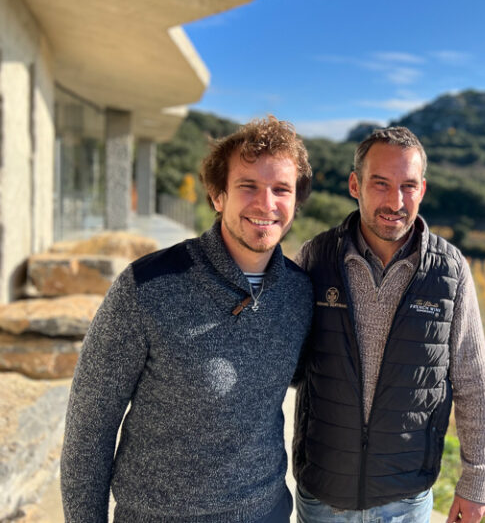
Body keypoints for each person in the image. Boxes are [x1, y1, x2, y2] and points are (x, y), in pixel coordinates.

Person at [61, 116, 314, 523]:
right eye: (248, 185)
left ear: (295, 202)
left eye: (281, 189)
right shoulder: (145, 287)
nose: (266, 204)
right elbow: (89, 427)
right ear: (217, 195)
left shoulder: (300, 293)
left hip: (266, 512)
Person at [292, 126, 485, 523]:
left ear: (422, 189)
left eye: (408, 186)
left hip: (405, 502)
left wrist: (477, 481)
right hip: (323, 498)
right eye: (380, 183)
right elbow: (280, 364)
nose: (395, 201)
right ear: (355, 184)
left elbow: (474, 381)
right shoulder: (315, 258)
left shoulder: (450, 271)